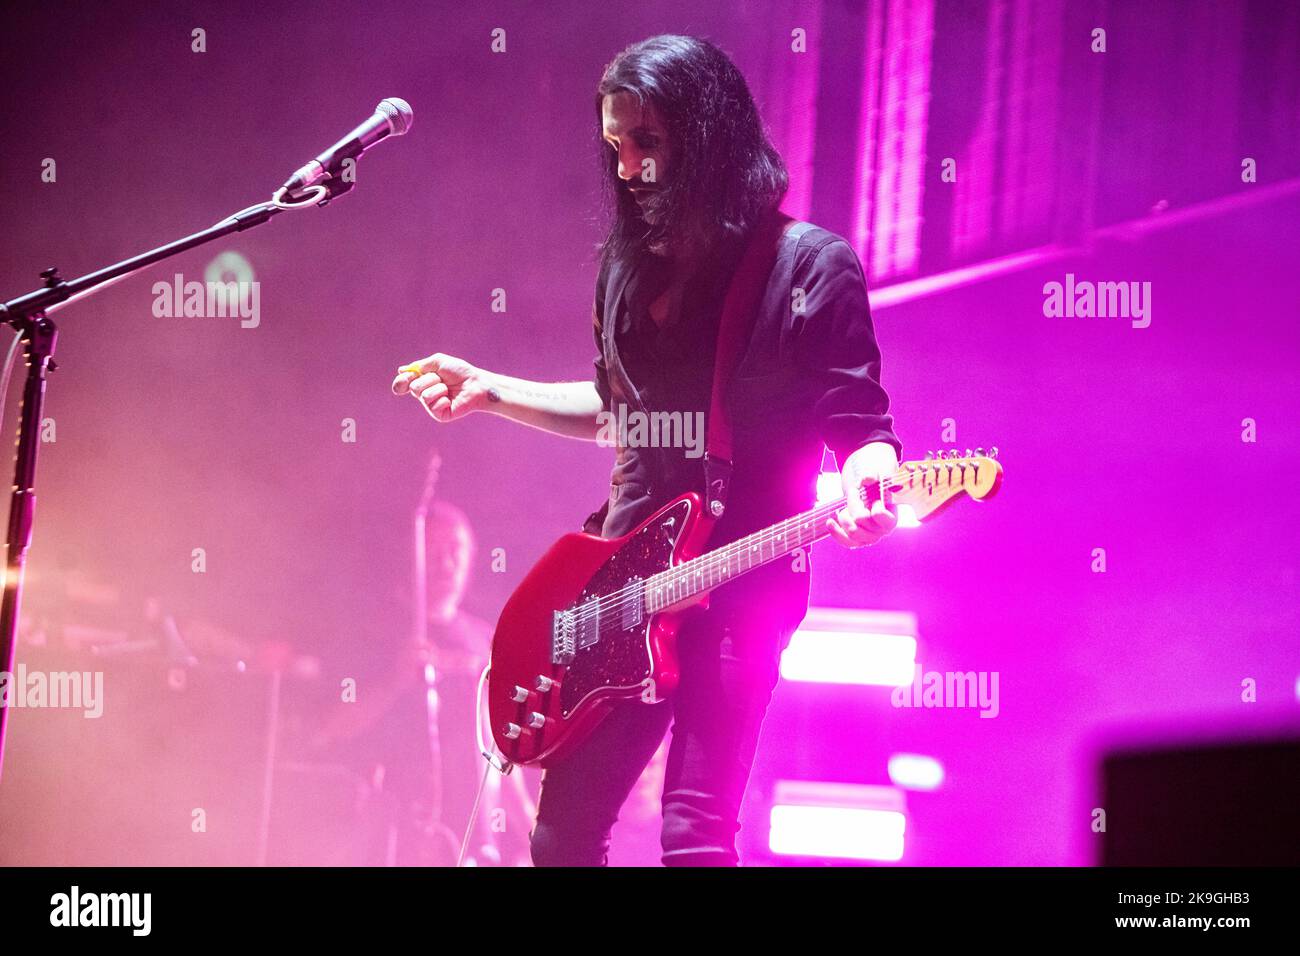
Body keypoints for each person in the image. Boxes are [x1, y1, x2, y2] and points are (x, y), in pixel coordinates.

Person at [392, 34, 903, 866]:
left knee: (695, 833)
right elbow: (617, 410)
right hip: (623, 582)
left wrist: (873, 479)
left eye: (649, 143)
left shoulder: (809, 266)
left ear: (710, 136)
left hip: (742, 585)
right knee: (562, 834)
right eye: (615, 147)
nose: (629, 168)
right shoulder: (626, 270)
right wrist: (492, 391)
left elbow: (860, 421)